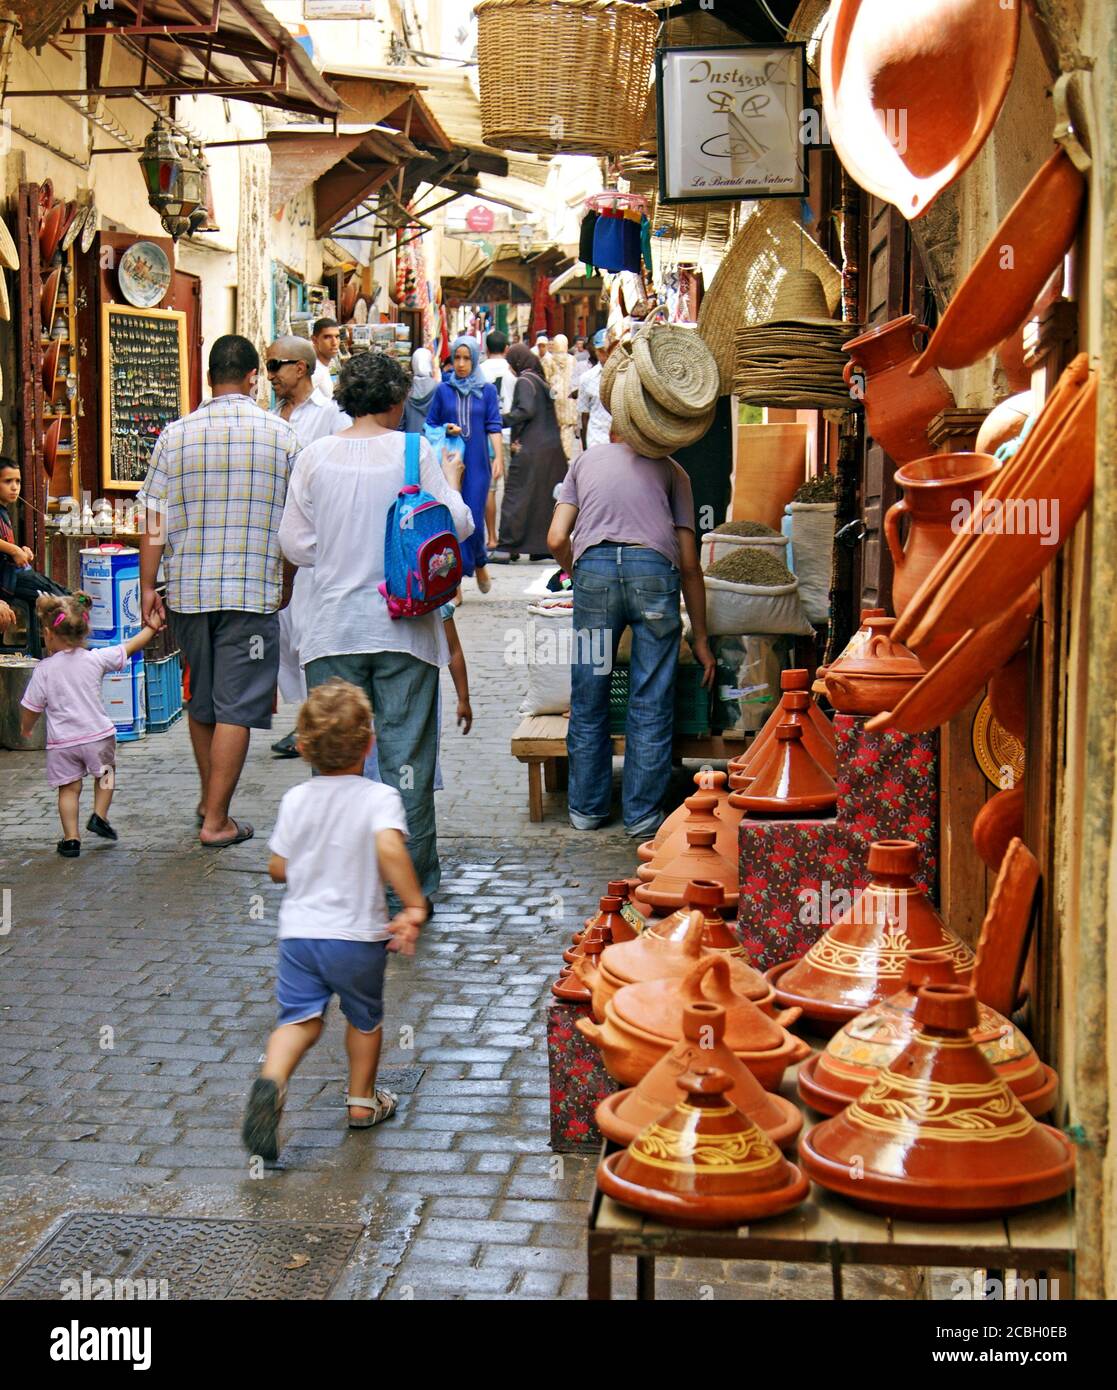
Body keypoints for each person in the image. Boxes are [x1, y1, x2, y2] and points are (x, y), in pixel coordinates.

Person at [278, 350, 474, 904]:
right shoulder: (416, 451)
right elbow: (457, 525)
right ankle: (409, 889)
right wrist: (452, 481)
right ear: (395, 400)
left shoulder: (315, 457)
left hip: (332, 629)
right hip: (404, 630)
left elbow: (294, 544)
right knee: (406, 762)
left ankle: (340, 885)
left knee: (335, 764)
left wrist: (339, 548)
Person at [241, 680, 427, 1162]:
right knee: (364, 1020)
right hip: (357, 938)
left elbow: (277, 868)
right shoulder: (379, 797)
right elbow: (389, 848)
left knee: (299, 1020)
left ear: (302, 748)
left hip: (300, 937)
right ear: (370, 744)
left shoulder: (296, 800)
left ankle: (273, 1080)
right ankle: (362, 1102)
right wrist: (413, 906)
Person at [138, 334, 299, 848]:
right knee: (238, 705)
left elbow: (152, 519)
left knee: (203, 699)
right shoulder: (283, 436)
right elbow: (296, 524)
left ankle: (212, 803)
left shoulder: (175, 436)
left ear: (209, 377)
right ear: (254, 377)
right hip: (252, 592)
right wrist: (288, 578)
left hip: (188, 590)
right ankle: (216, 821)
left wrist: (147, 584)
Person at [547, 436, 717, 837]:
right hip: (654, 575)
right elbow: (690, 564)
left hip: (594, 574)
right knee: (651, 700)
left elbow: (556, 538)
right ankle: (641, 817)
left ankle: (587, 811)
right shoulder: (674, 470)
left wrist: (581, 573)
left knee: (589, 697)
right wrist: (702, 641)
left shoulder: (585, 462)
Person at [19, 591, 162, 857]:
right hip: (97, 736)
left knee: (69, 789)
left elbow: (31, 707)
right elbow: (130, 646)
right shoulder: (96, 658)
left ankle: (71, 839)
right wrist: (151, 627)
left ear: (49, 634)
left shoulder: (44, 670)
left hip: (63, 743)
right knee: (105, 774)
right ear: (84, 631)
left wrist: (26, 728)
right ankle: (99, 814)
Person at [266, 337, 351, 759]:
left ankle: (317, 724)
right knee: (284, 637)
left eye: (276, 365)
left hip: (314, 543)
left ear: (301, 367)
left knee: (307, 633)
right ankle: (309, 719)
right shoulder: (270, 415)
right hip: (276, 540)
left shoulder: (330, 414)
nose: (270, 374)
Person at [424, 336, 503, 598]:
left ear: (475, 359)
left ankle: (479, 561)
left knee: (475, 522)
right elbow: (430, 424)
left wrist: (499, 458)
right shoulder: (443, 390)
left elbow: (494, 425)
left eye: (466, 358)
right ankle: (454, 583)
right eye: (456, 358)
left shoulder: (487, 390)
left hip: (478, 463)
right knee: (452, 521)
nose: (460, 364)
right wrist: (445, 428)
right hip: (450, 464)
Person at [489, 345, 568, 564]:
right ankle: (539, 546)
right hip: (549, 449)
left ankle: (507, 546)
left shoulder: (524, 381)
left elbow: (526, 410)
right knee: (541, 499)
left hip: (531, 449)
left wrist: (500, 420)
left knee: (516, 494)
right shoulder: (539, 380)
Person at [0, 458, 68, 657]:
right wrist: (14, 551)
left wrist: (21, 551)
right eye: (7, 481)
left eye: (18, 482)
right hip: (8, 580)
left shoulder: (4, 512)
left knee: (59, 593)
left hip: (14, 574)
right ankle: (60, 651)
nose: (14, 487)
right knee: (56, 599)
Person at [479, 330, 516, 549]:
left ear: (487, 349)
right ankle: (509, 536)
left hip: (487, 436)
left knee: (490, 490)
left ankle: (492, 537)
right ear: (506, 349)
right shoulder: (513, 372)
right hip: (510, 434)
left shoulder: (479, 371)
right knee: (511, 489)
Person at [542, 333, 579, 460]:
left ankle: (557, 454)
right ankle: (566, 454)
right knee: (567, 427)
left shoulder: (549, 360)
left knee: (556, 426)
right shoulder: (572, 359)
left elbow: (545, 379)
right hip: (568, 396)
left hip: (555, 396)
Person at [578, 329, 615, 450]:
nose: (605, 354)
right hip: (596, 442)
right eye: (601, 351)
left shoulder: (625, 375)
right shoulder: (586, 378)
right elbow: (585, 415)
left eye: (607, 350)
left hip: (620, 444)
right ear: (596, 351)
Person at [402, 347, 440, 433]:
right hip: (433, 441)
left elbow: (400, 423)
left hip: (411, 441)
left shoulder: (406, 390)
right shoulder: (439, 389)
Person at [311, 317, 342, 397]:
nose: (334, 343)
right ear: (315, 340)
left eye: (337, 337)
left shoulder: (323, 366)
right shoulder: (315, 371)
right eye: (327, 337)